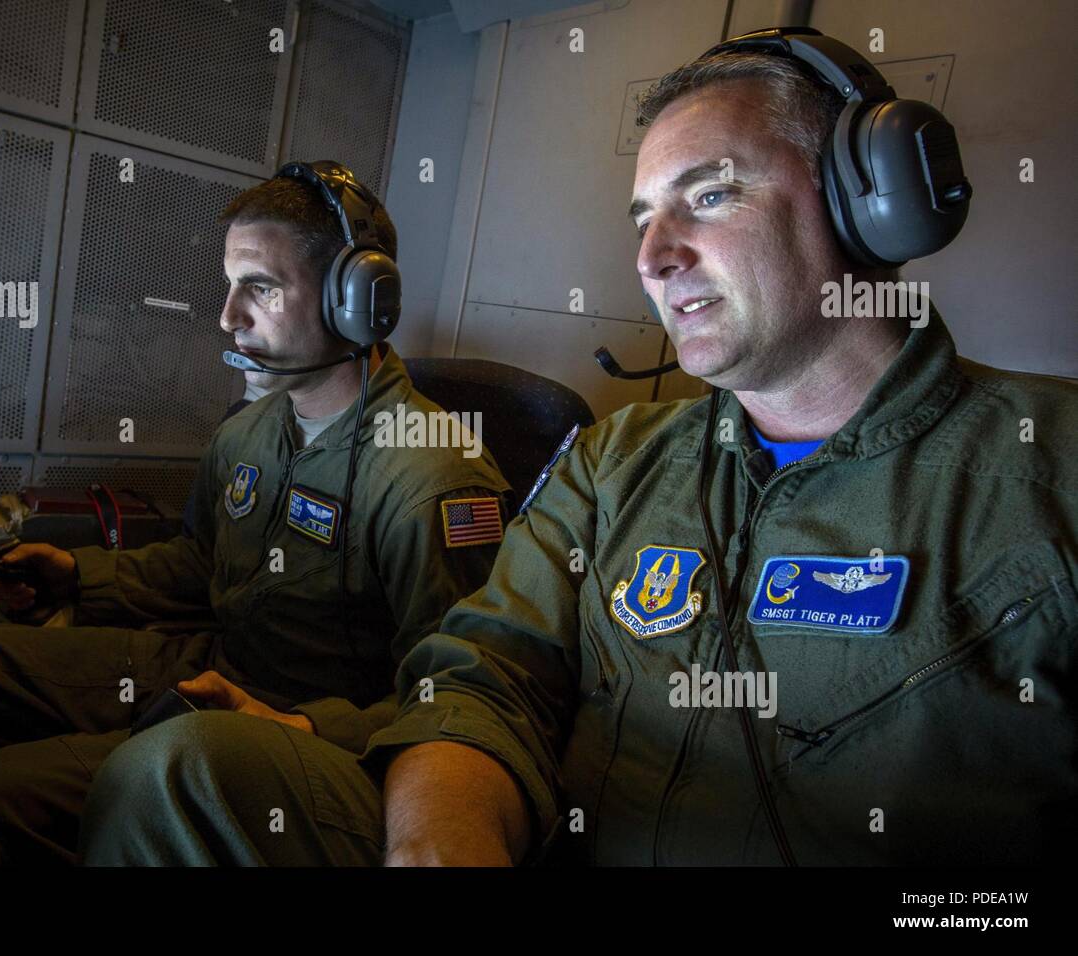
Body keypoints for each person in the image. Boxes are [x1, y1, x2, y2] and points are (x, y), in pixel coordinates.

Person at [79, 33, 1076, 866]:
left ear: (873, 198)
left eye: (710, 196)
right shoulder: (618, 458)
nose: (650, 257)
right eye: (643, 217)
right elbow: (488, 673)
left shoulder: (1048, 469)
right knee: (183, 768)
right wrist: (442, 836)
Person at [0, 161, 511, 865]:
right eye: (228, 285)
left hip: (302, 731)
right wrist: (77, 577)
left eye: (260, 287)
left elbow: (451, 696)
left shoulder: (431, 479)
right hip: (206, 664)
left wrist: (302, 725)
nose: (227, 317)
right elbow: (198, 562)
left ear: (357, 302)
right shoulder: (250, 429)